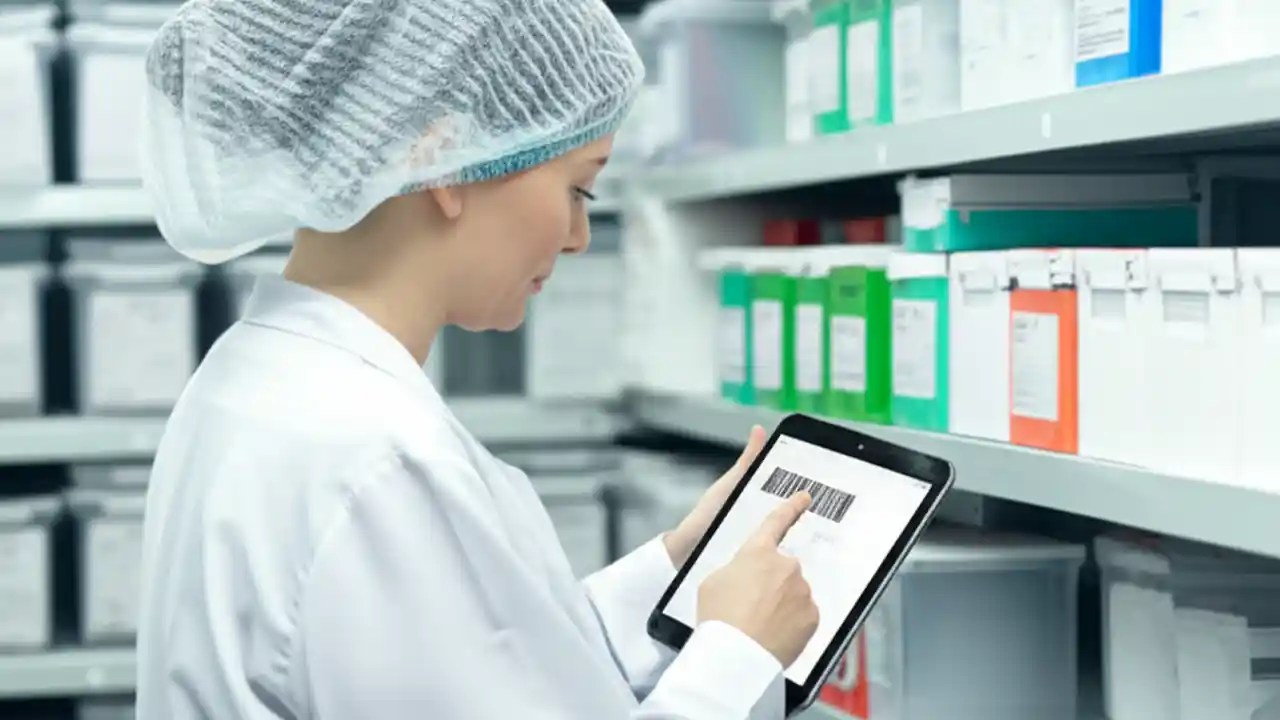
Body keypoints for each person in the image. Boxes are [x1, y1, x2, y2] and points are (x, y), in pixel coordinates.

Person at [134, 0, 820, 718]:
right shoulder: (380, 459)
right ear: (444, 161)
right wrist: (739, 655)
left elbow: (485, 663)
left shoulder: (254, 380)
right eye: (577, 188)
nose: (579, 235)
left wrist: (676, 569)